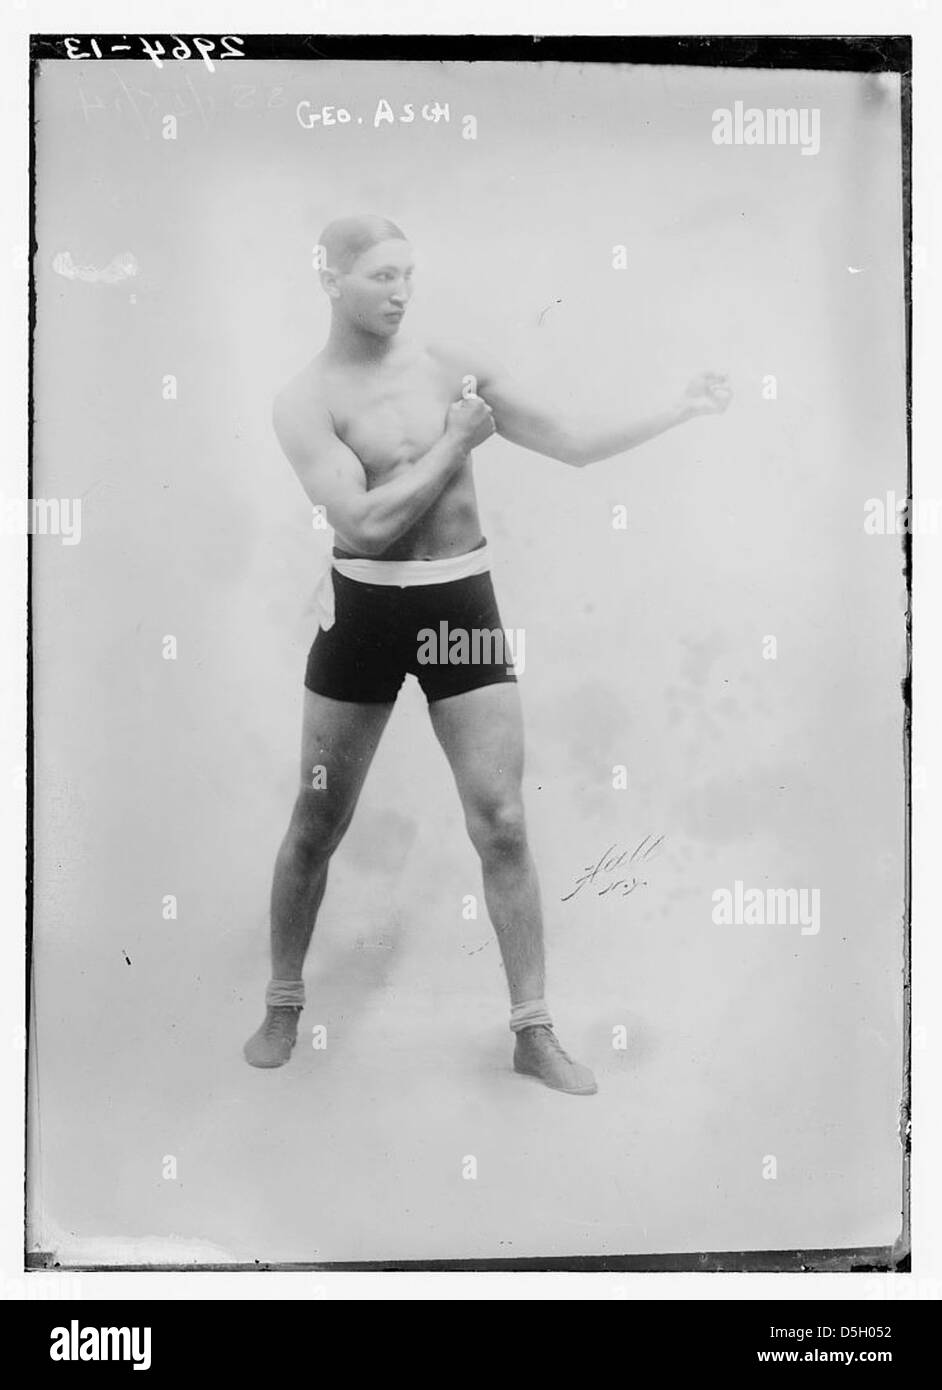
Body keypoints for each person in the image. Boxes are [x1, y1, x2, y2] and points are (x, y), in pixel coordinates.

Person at [244, 214, 731, 1093]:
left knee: (502, 821)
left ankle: (533, 1031)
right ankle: (283, 1000)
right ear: (330, 280)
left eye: (408, 274)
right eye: (380, 276)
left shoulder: (448, 368)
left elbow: (573, 442)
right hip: (360, 614)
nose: (400, 293)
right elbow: (364, 523)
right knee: (318, 823)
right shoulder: (304, 401)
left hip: (460, 608)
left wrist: (678, 408)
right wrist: (457, 443)